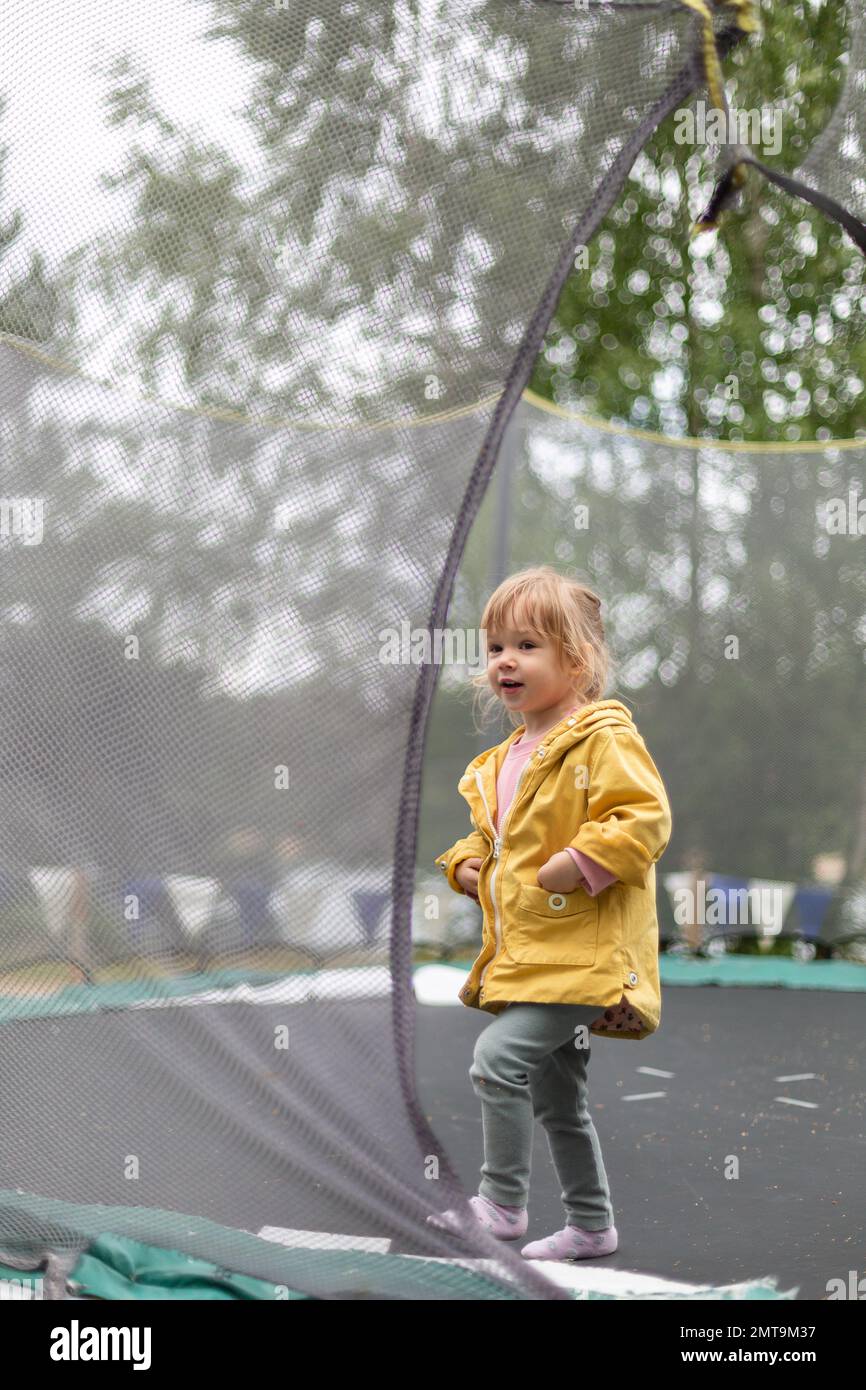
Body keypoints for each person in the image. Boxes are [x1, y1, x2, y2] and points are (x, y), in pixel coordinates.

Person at [427, 565, 672, 1261]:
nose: (506, 659)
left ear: (577, 659)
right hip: (530, 960)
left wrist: (584, 860)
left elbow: (643, 819)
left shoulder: (602, 739)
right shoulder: (499, 761)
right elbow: (489, 838)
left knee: (495, 1060)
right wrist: (463, 866)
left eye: (527, 645)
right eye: (496, 646)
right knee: (559, 1101)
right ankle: (593, 1227)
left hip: (584, 958)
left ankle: (500, 1205)